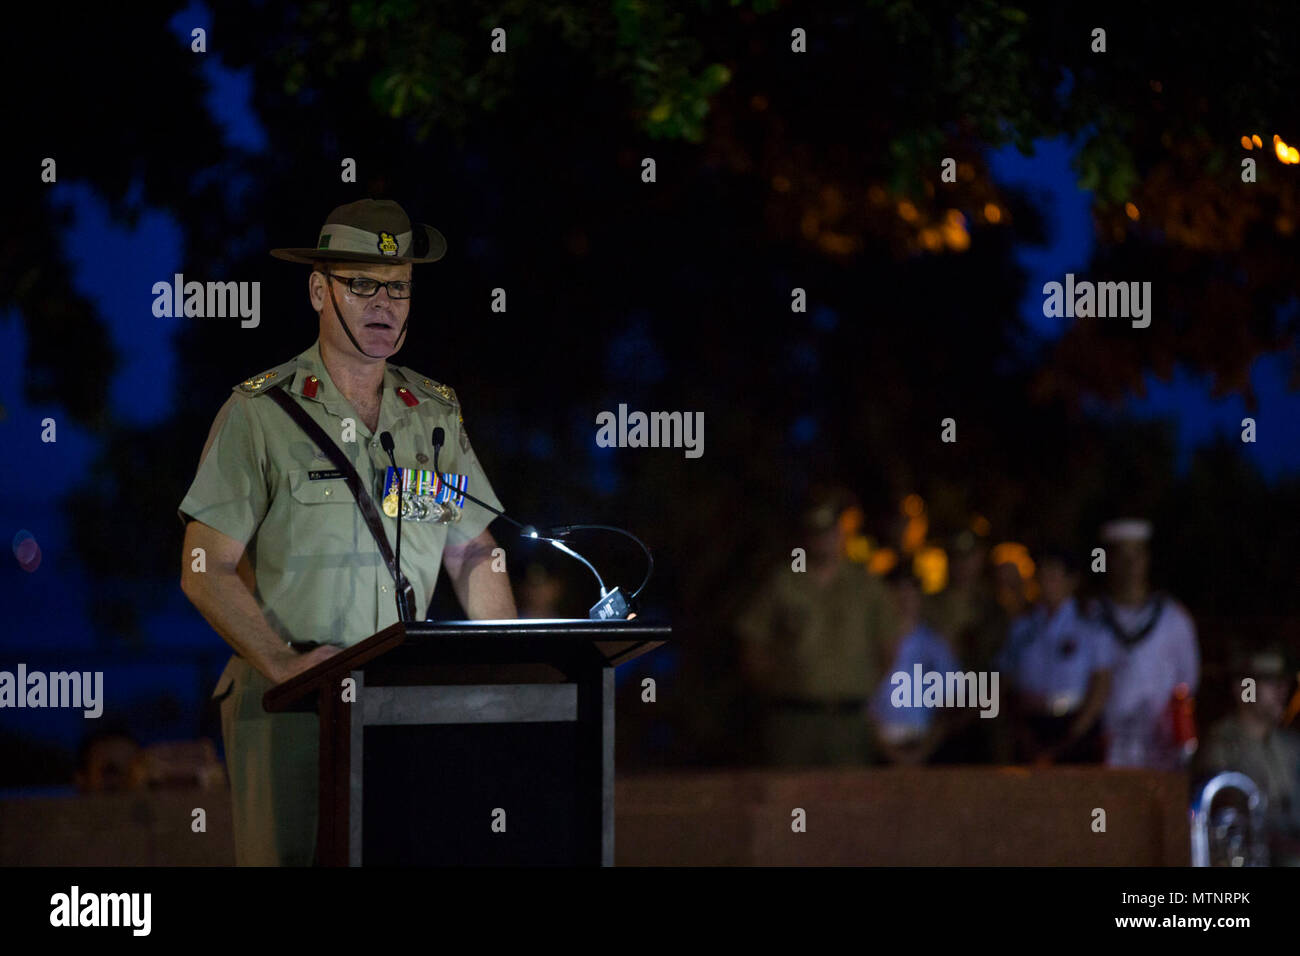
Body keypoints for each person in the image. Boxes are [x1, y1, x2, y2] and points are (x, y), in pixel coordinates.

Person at [178, 199, 517, 866]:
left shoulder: (432, 416)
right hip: (291, 708)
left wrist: (504, 678)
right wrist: (282, 665)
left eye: (399, 286)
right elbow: (201, 567)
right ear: (318, 290)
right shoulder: (261, 412)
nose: (384, 303)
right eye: (362, 284)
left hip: (399, 701)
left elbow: (474, 551)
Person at [736, 487, 897, 766]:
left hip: (850, 719)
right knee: (789, 798)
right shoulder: (783, 581)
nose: (824, 539)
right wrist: (778, 686)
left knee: (850, 800)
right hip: (793, 718)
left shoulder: (867, 585)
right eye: (816, 532)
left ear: (841, 532)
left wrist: (864, 687)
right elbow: (753, 642)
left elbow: (888, 647)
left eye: (830, 530)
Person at [1088, 519, 1199, 771]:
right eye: (1121, 556)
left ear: (1147, 558)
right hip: (1104, 746)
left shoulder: (1174, 618)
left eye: (1137, 554)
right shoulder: (1092, 616)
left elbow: (1187, 681)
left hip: (1160, 747)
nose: (1130, 566)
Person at [996, 548, 1114, 764]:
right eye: (1041, 575)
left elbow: (1101, 684)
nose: (1045, 582)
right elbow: (1006, 681)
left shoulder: (1090, 627)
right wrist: (1022, 732)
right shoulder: (1022, 628)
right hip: (1030, 726)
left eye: (1053, 575)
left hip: (1074, 726)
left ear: (1071, 581)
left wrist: (1073, 735)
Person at [1197, 647, 1300, 866]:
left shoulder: (1290, 746)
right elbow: (1230, 826)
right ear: (1243, 687)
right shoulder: (1222, 745)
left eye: (1284, 681)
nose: (1282, 690)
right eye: (1270, 681)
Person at [868, 566, 959, 765]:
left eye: (910, 592)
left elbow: (949, 704)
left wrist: (922, 752)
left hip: (926, 747)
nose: (904, 600)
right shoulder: (867, 644)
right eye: (897, 592)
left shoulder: (935, 644)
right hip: (874, 747)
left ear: (919, 597)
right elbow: (862, 702)